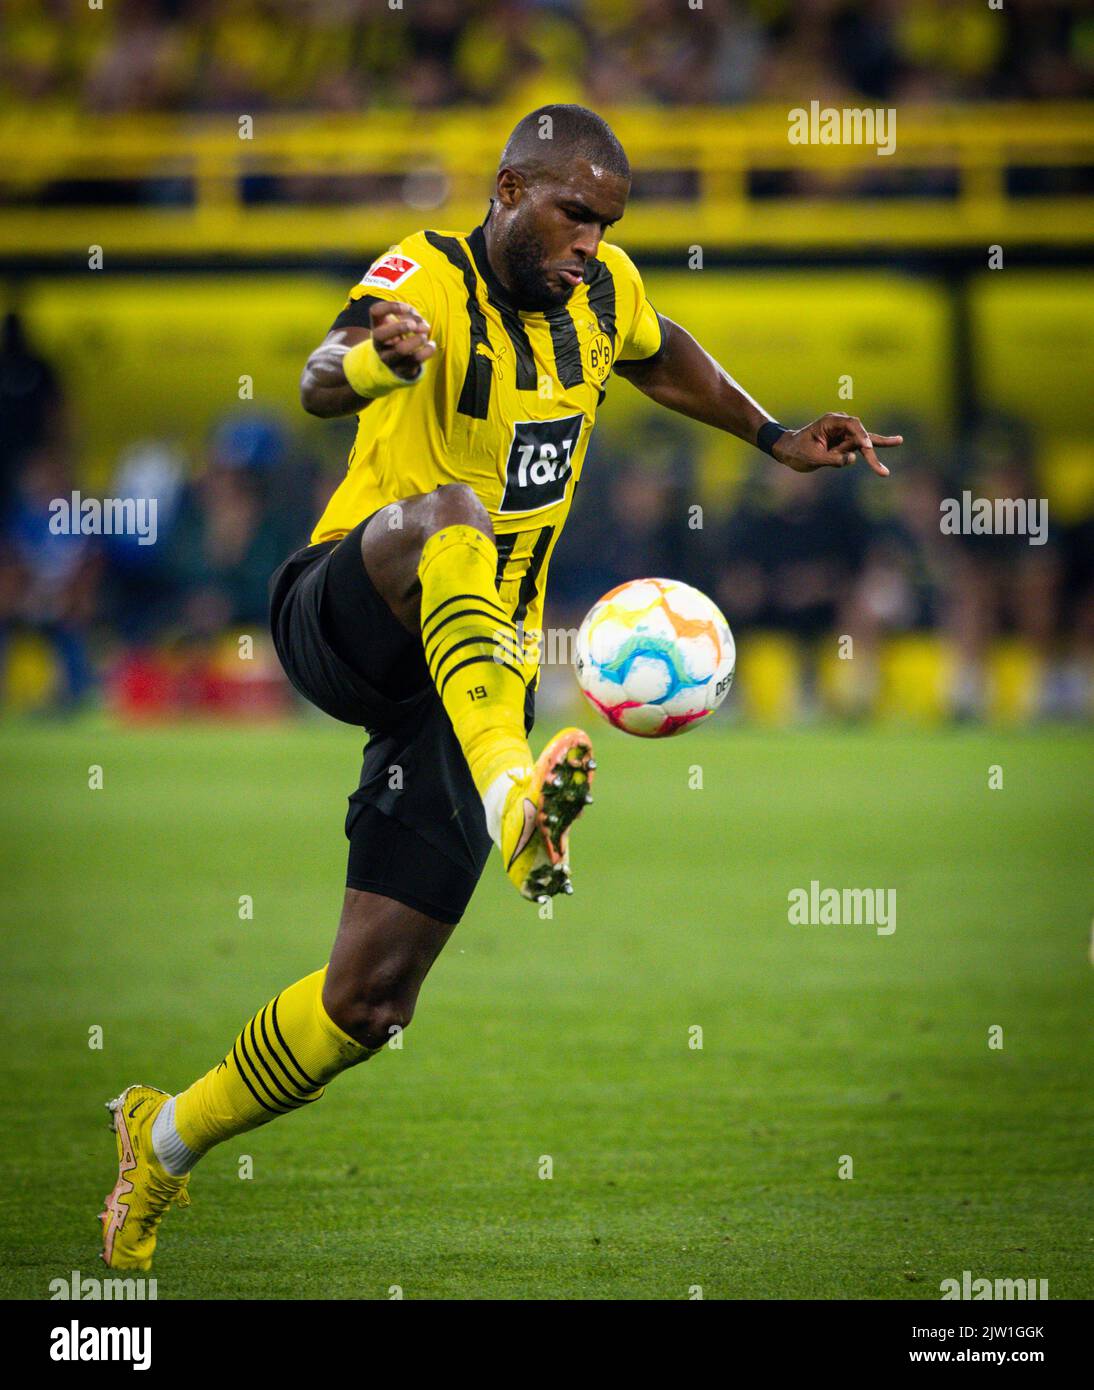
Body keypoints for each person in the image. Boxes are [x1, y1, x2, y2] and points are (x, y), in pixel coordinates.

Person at [99, 104, 901, 1270]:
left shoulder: (604, 292)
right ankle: (515, 803)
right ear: (508, 190)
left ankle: (159, 1140)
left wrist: (770, 432)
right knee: (456, 518)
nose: (588, 239)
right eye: (573, 212)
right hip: (348, 604)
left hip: (474, 676)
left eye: (605, 221)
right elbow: (322, 376)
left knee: (365, 1005)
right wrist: (381, 357)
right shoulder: (423, 272)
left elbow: (660, 344)